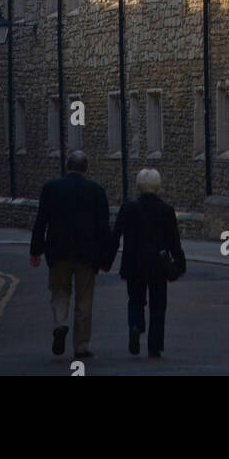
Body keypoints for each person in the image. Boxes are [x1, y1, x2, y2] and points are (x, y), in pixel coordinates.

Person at [30, 150, 111, 358]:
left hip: (58, 252)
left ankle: (60, 324)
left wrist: (36, 251)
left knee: (59, 292)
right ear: (87, 168)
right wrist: (106, 258)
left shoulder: (51, 189)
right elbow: (103, 228)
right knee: (84, 301)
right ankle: (81, 346)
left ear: (67, 166)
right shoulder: (97, 191)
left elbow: (41, 222)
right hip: (87, 253)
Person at [106, 168, 185, 359]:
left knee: (135, 300)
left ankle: (135, 325)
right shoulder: (166, 210)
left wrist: (107, 260)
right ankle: (154, 346)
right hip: (158, 263)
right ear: (158, 186)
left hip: (134, 262)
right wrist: (180, 263)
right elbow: (174, 241)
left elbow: (116, 236)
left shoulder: (128, 208)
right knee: (158, 305)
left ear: (138, 185)